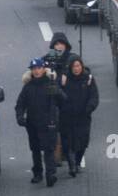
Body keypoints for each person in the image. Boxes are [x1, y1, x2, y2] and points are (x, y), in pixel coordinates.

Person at [15, 58, 63, 187]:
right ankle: (37, 173)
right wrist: (20, 117)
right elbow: (20, 104)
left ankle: (50, 174)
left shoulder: (50, 83)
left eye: (39, 68)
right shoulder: (28, 87)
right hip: (32, 124)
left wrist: (57, 91)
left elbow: (63, 100)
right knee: (35, 149)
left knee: (49, 149)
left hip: (49, 123)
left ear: (43, 69)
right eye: (34, 69)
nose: (36, 71)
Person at [58, 56, 99, 175]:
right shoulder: (64, 79)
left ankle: (77, 162)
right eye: (74, 66)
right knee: (67, 142)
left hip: (83, 117)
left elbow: (94, 96)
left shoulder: (88, 79)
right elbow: (57, 95)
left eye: (78, 66)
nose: (76, 69)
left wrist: (89, 108)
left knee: (82, 141)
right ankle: (72, 165)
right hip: (67, 117)